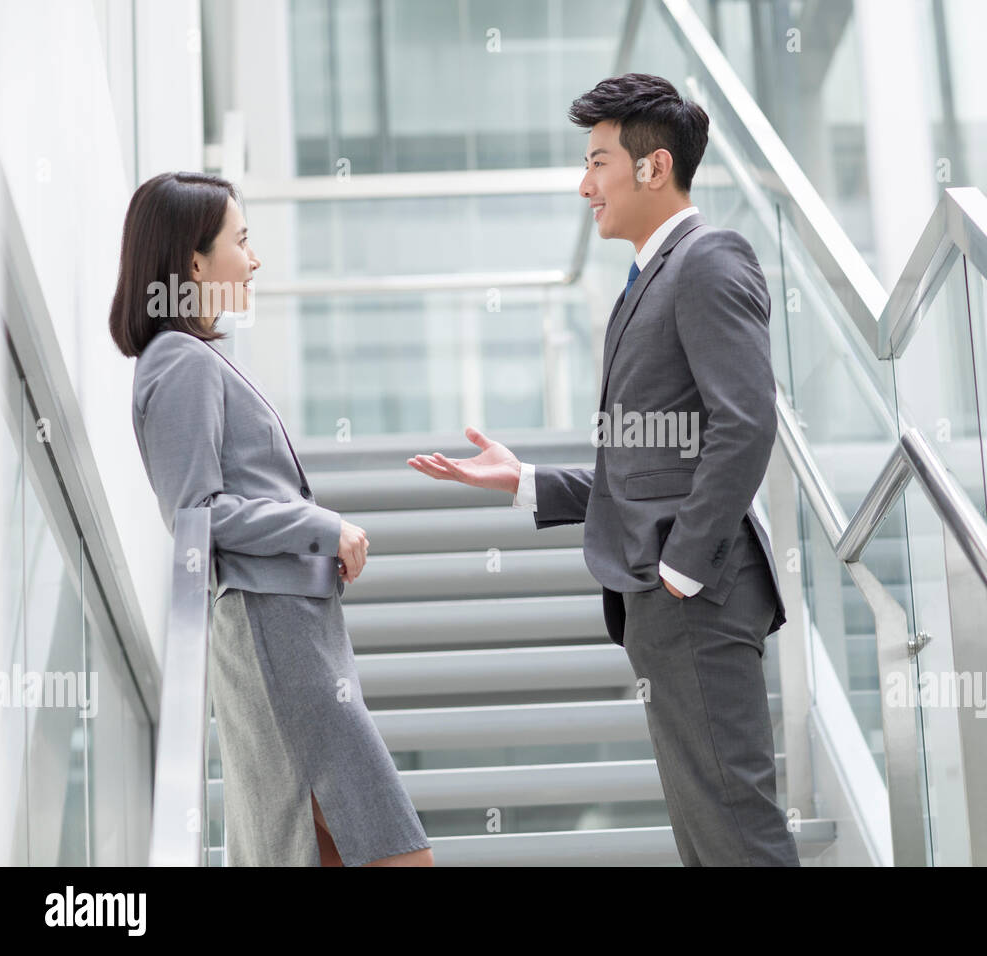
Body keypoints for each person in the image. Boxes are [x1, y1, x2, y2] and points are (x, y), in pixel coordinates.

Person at [409, 74, 799, 866]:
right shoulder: (643, 285)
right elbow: (651, 464)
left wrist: (682, 567)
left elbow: (747, 421)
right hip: (666, 599)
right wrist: (524, 481)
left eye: (598, 163)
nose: (583, 184)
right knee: (708, 834)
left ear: (653, 169)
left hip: (697, 593)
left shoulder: (706, 260)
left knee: (736, 832)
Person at [110, 171, 432, 867]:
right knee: (388, 852)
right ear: (193, 262)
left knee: (337, 848)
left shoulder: (193, 359)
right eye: (243, 240)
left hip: (292, 628)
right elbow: (196, 514)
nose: (254, 259)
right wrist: (319, 525)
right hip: (272, 630)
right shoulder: (181, 361)